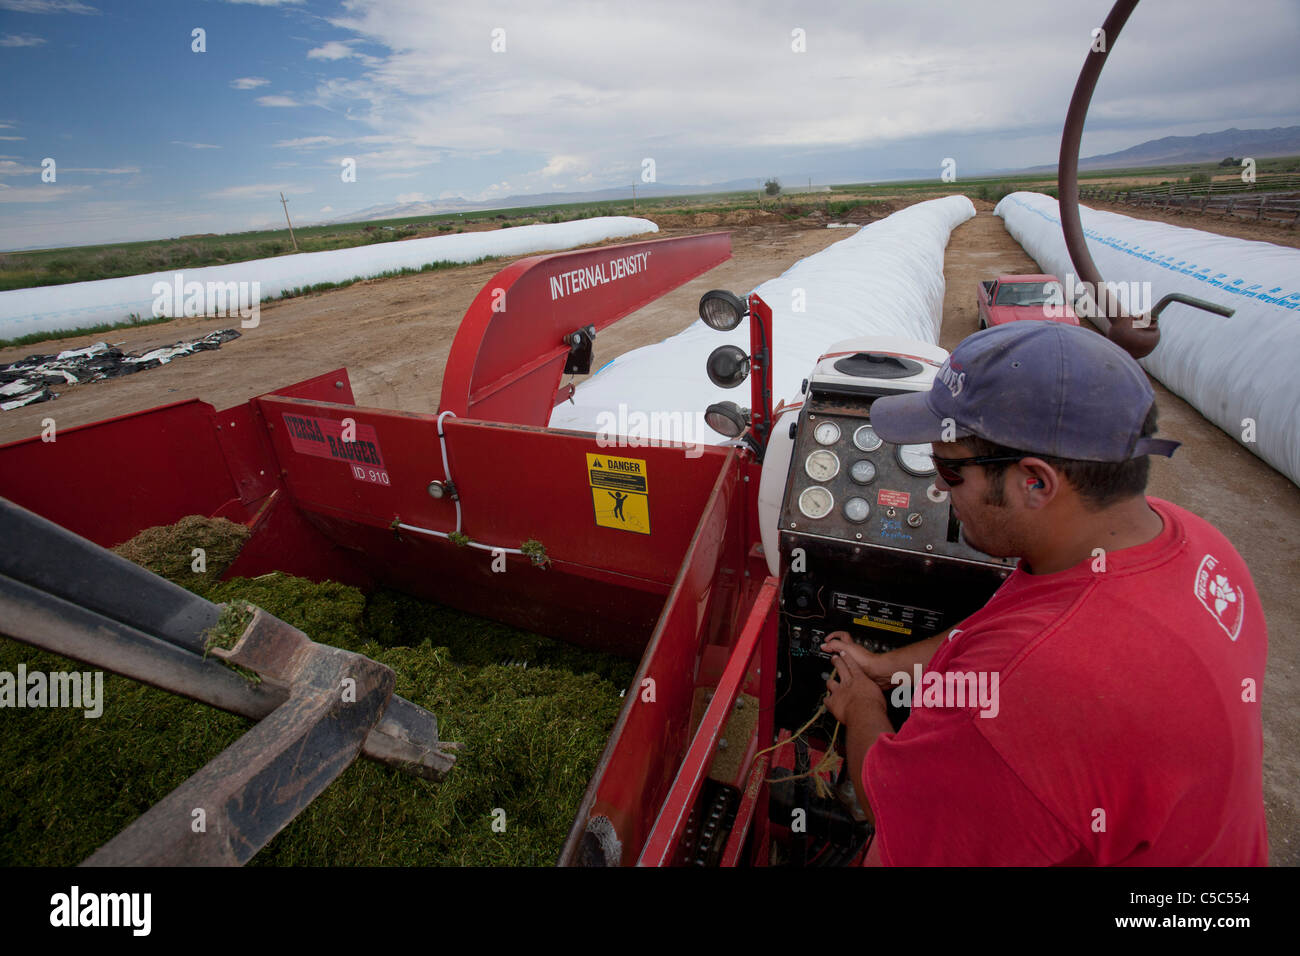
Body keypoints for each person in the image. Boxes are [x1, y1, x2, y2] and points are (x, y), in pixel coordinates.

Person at [821, 321, 1269, 865]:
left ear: (1035, 482)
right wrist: (883, 666)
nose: (937, 487)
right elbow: (997, 634)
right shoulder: (1195, 544)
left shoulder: (1024, 703)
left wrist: (862, 706)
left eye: (949, 467)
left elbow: (889, 804)